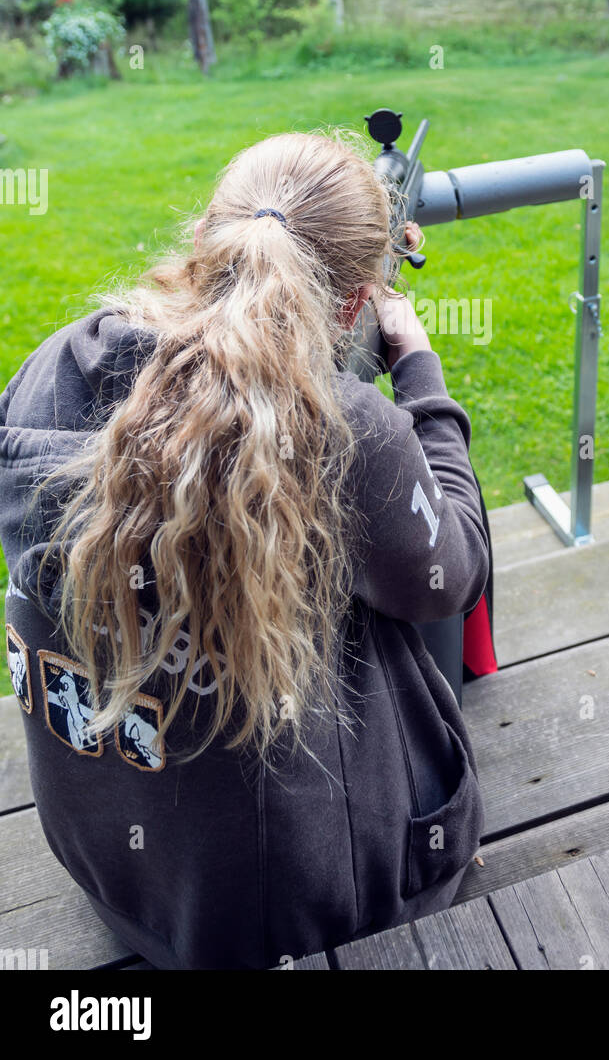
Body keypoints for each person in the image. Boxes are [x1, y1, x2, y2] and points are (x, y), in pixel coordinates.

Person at [0, 129, 491, 969]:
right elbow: (450, 573)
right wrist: (419, 375)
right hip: (298, 915)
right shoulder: (344, 429)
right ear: (350, 306)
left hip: (125, 879)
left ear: (205, 242)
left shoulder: (54, 365)